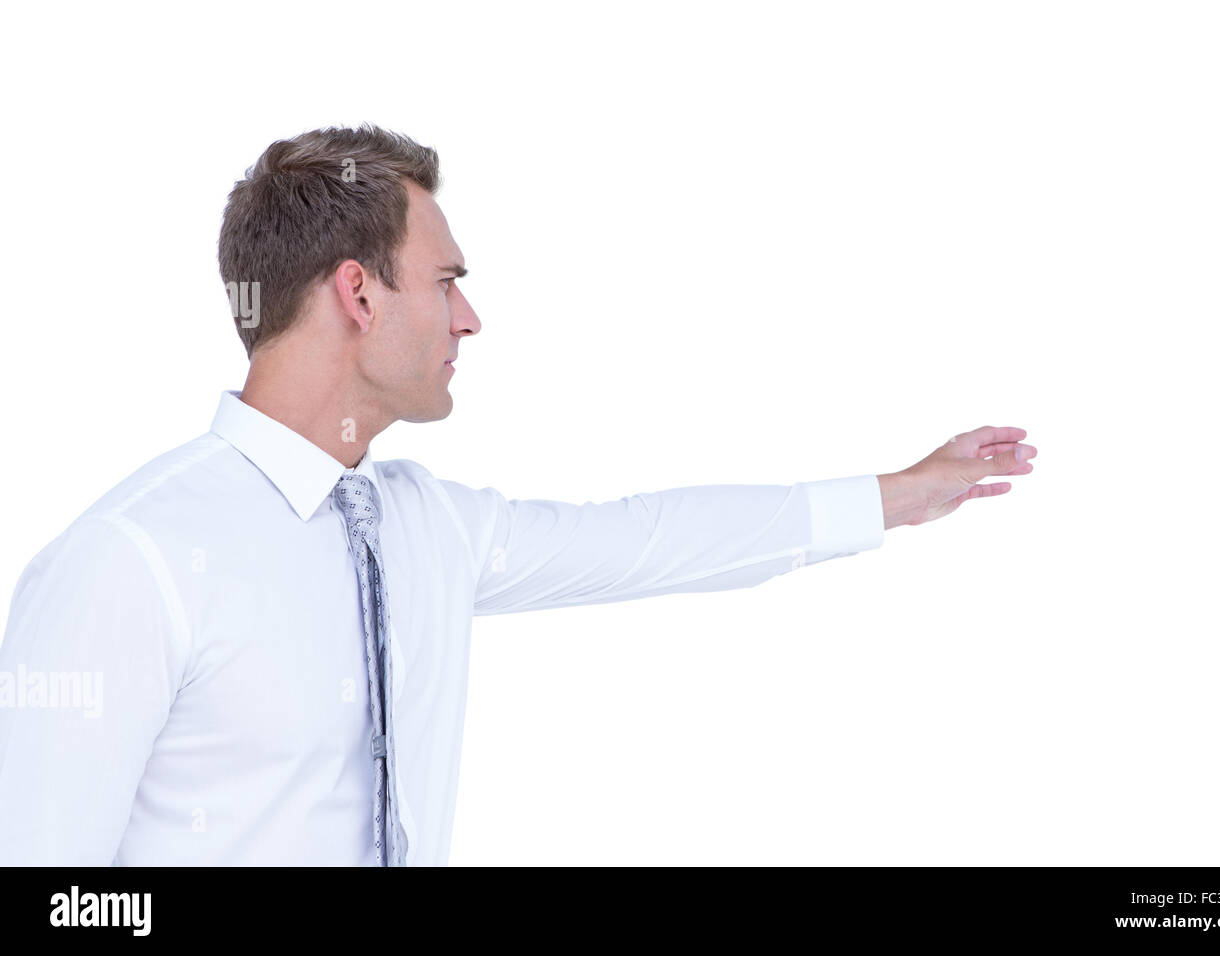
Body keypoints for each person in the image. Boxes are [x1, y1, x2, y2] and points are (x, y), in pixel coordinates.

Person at [0, 124, 1036, 866]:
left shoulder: (426, 527)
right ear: (359, 293)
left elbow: (643, 540)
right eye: (446, 281)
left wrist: (894, 496)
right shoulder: (126, 561)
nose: (470, 319)